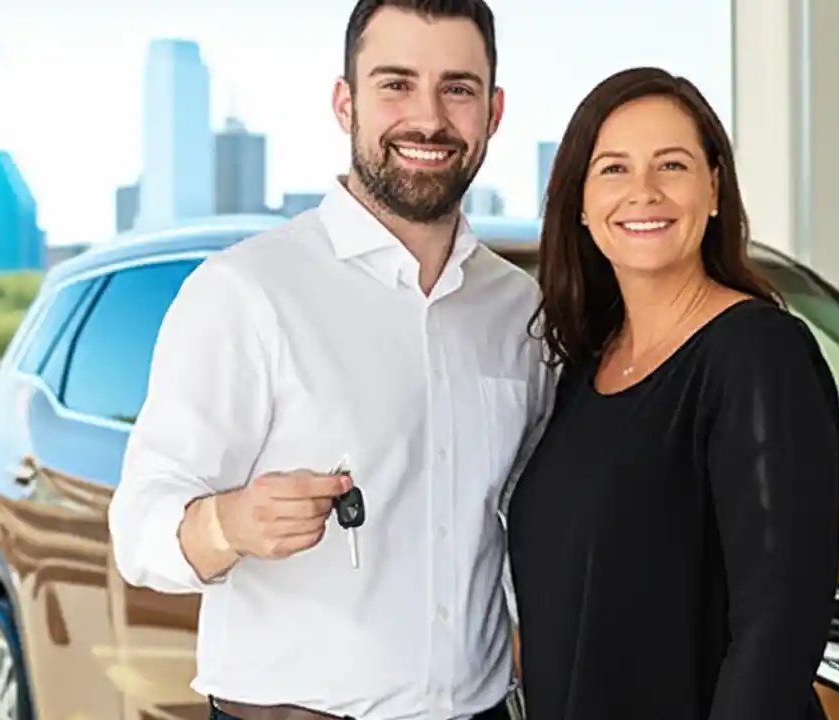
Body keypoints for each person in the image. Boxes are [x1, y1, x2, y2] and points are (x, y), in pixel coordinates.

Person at [108, 2, 550, 719]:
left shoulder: (520, 311)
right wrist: (230, 523)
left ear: (493, 111)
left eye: (458, 88)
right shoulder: (245, 292)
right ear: (345, 102)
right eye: (395, 84)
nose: (428, 118)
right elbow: (138, 528)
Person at [506, 67, 839, 719]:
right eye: (613, 169)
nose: (644, 193)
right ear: (579, 201)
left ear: (713, 188)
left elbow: (777, 631)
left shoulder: (758, 355)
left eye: (672, 165)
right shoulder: (583, 368)